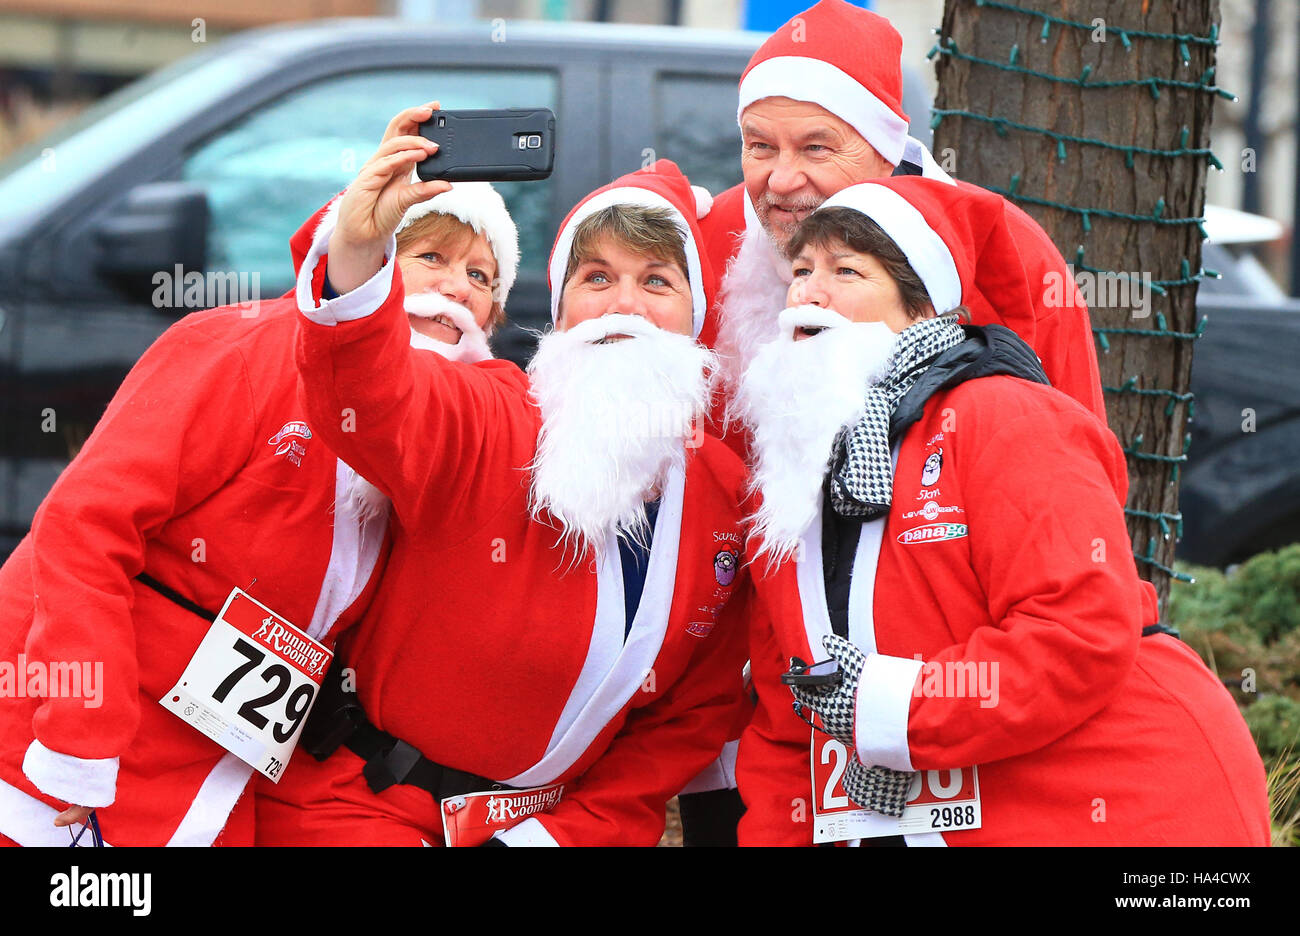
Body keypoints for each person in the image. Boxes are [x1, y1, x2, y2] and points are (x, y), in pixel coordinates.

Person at [0, 100, 519, 845]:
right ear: (370, 253)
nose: (460, 288)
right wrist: (80, 740)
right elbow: (85, 527)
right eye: (430, 257)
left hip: (214, 781)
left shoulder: (445, 442)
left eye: (482, 275)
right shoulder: (241, 349)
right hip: (61, 761)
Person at [253, 116, 751, 845]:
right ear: (559, 309)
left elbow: (687, 720)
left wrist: (568, 834)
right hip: (366, 808)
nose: (624, 306)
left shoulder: (726, 495)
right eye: (597, 278)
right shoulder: (489, 409)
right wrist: (358, 253)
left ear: (694, 315)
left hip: (551, 829)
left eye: (656, 282)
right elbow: (371, 399)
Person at [732, 175, 1270, 845]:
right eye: (802, 269)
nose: (808, 290)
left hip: (1122, 800)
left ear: (923, 309)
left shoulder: (1007, 417)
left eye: (846, 271)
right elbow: (791, 713)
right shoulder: (786, 476)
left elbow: (1077, 633)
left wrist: (889, 705)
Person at [699, 0, 1104, 438]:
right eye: (760, 146)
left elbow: (1068, 459)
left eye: (816, 148)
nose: (780, 179)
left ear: (885, 152)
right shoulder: (708, 239)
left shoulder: (1003, 250)